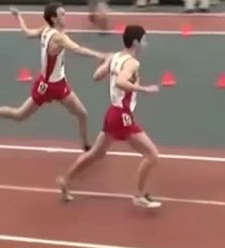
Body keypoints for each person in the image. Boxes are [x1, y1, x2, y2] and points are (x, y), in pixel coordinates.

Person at [0, 3, 106, 149]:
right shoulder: (59, 37)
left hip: (48, 84)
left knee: (20, 114)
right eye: (62, 14)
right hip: (54, 86)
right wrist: (98, 54)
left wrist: (18, 17)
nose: (65, 16)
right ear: (54, 19)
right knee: (81, 114)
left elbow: (27, 33)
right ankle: (86, 146)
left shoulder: (45, 30)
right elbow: (78, 49)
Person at [56, 24, 162, 209]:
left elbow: (96, 76)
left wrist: (108, 66)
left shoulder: (115, 57)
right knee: (152, 154)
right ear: (136, 42)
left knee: (96, 154)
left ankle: (66, 180)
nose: (146, 43)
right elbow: (121, 82)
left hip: (112, 112)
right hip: (122, 114)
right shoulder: (132, 62)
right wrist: (143, 89)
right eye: (144, 39)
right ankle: (138, 195)